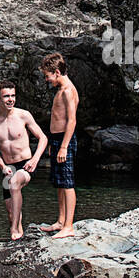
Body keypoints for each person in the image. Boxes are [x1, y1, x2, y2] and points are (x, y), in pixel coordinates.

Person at [0, 81, 48, 239]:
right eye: (6, 96)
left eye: (13, 95)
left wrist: (35, 159)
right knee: (11, 212)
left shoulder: (23, 115)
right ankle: (18, 235)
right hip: (8, 168)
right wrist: (3, 166)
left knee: (14, 183)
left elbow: (43, 138)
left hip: (26, 165)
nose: (10, 99)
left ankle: (13, 230)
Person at [39, 52, 80, 238]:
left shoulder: (68, 91)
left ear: (56, 72)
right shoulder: (60, 90)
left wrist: (63, 146)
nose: (47, 80)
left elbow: (71, 121)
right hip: (57, 139)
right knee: (59, 182)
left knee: (68, 182)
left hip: (66, 139)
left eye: (48, 76)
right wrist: (53, 142)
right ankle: (61, 220)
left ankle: (68, 226)